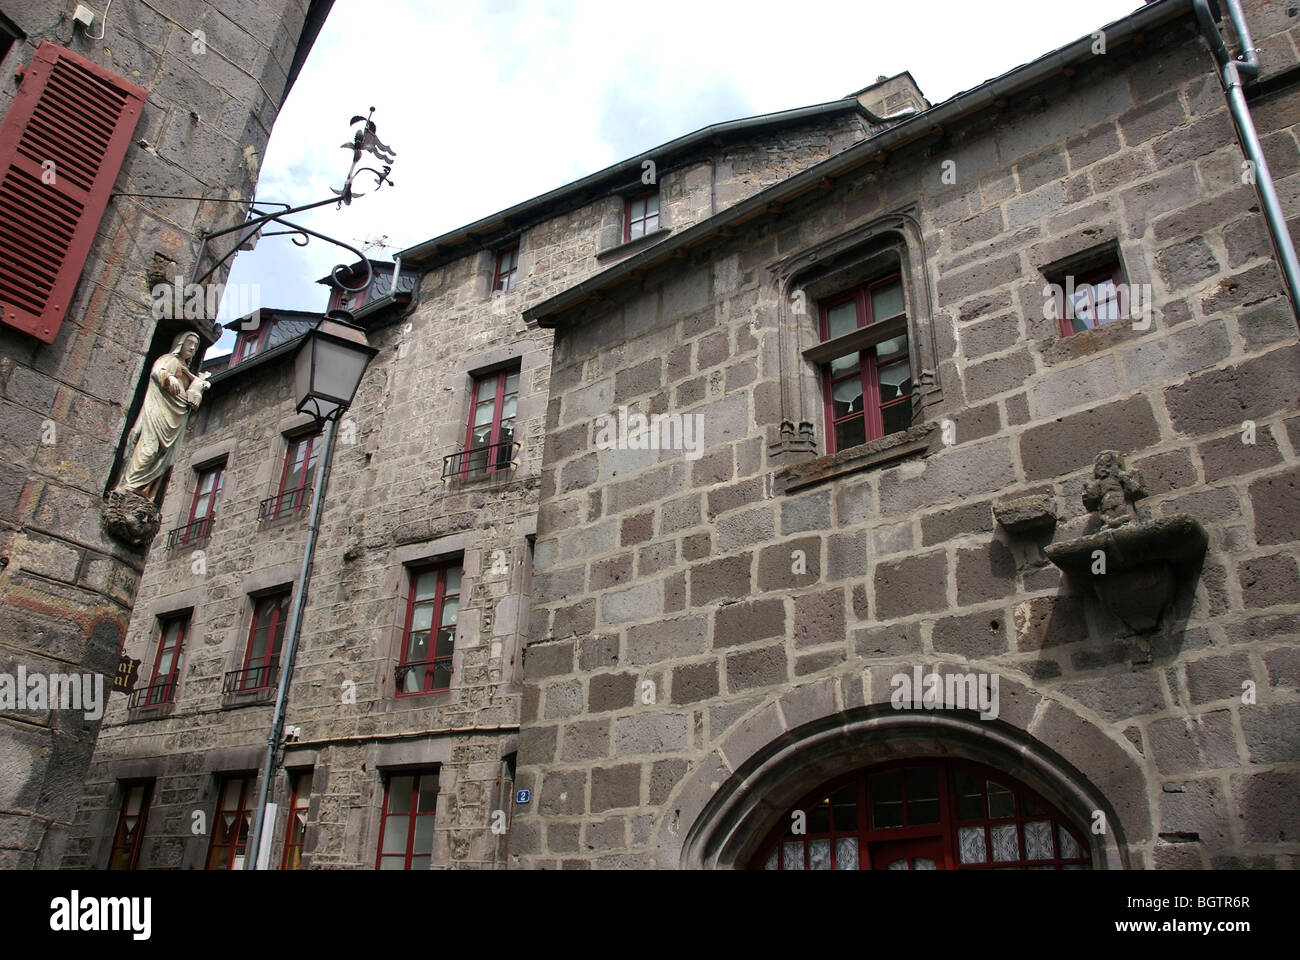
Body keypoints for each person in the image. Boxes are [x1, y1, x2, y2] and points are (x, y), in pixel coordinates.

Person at [117, 332, 210, 498]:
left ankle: (144, 491)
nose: (192, 347)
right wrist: (168, 377)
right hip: (159, 412)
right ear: (179, 343)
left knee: (163, 457)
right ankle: (130, 484)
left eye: (195, 345)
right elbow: (158, 371)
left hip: (175, 417)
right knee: (149, 449)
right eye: (189, 343)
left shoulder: (186, 368)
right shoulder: (170, 360)